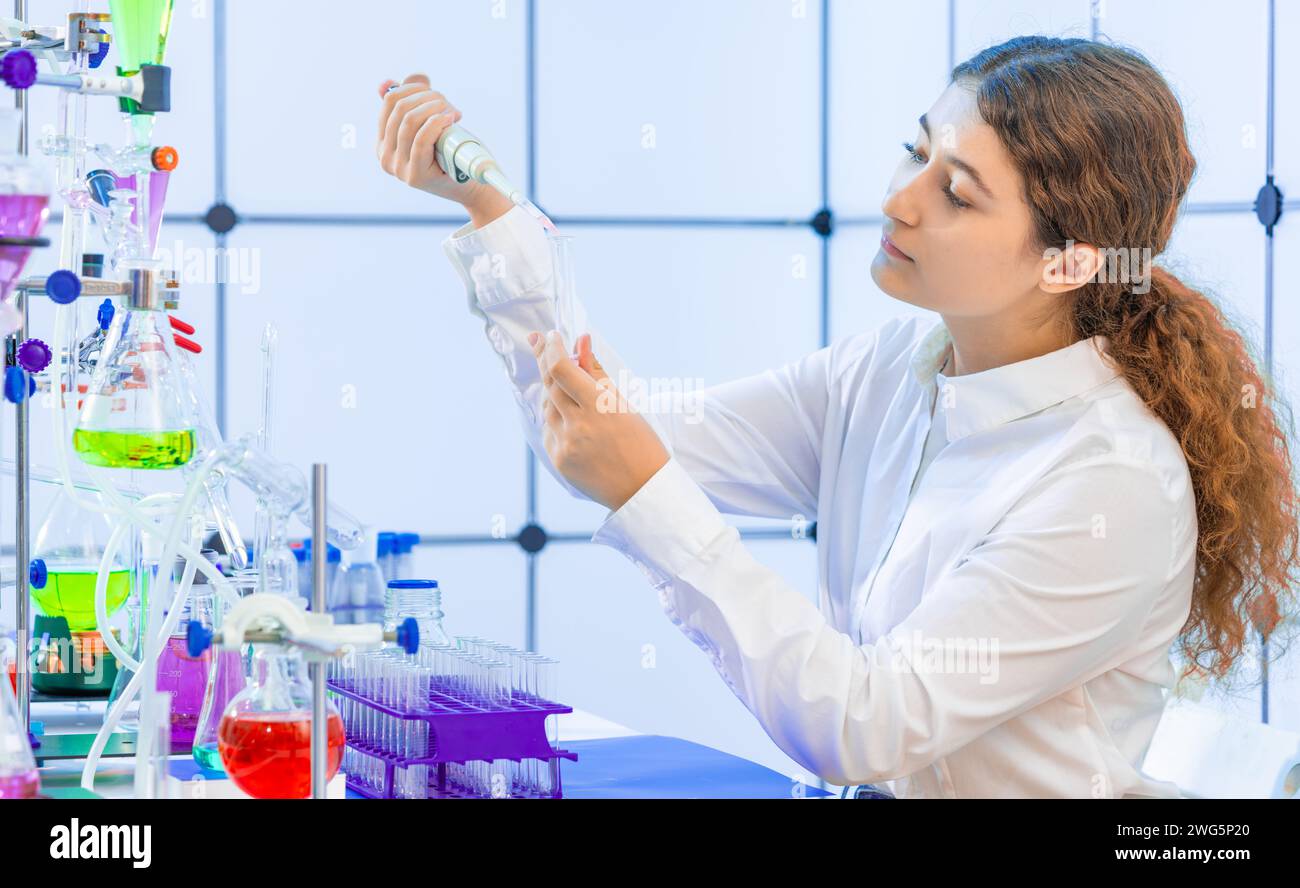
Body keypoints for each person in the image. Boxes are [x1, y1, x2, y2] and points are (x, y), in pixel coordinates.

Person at [374, 36, 1299, 798]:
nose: (901, 197)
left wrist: (644, 489)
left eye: (958, 191)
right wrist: (490, 211)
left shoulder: (1111, 484)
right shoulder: (896, 367)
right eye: (918, 149)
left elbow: (864, 726)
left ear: (1068, 263)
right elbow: (608, 427)